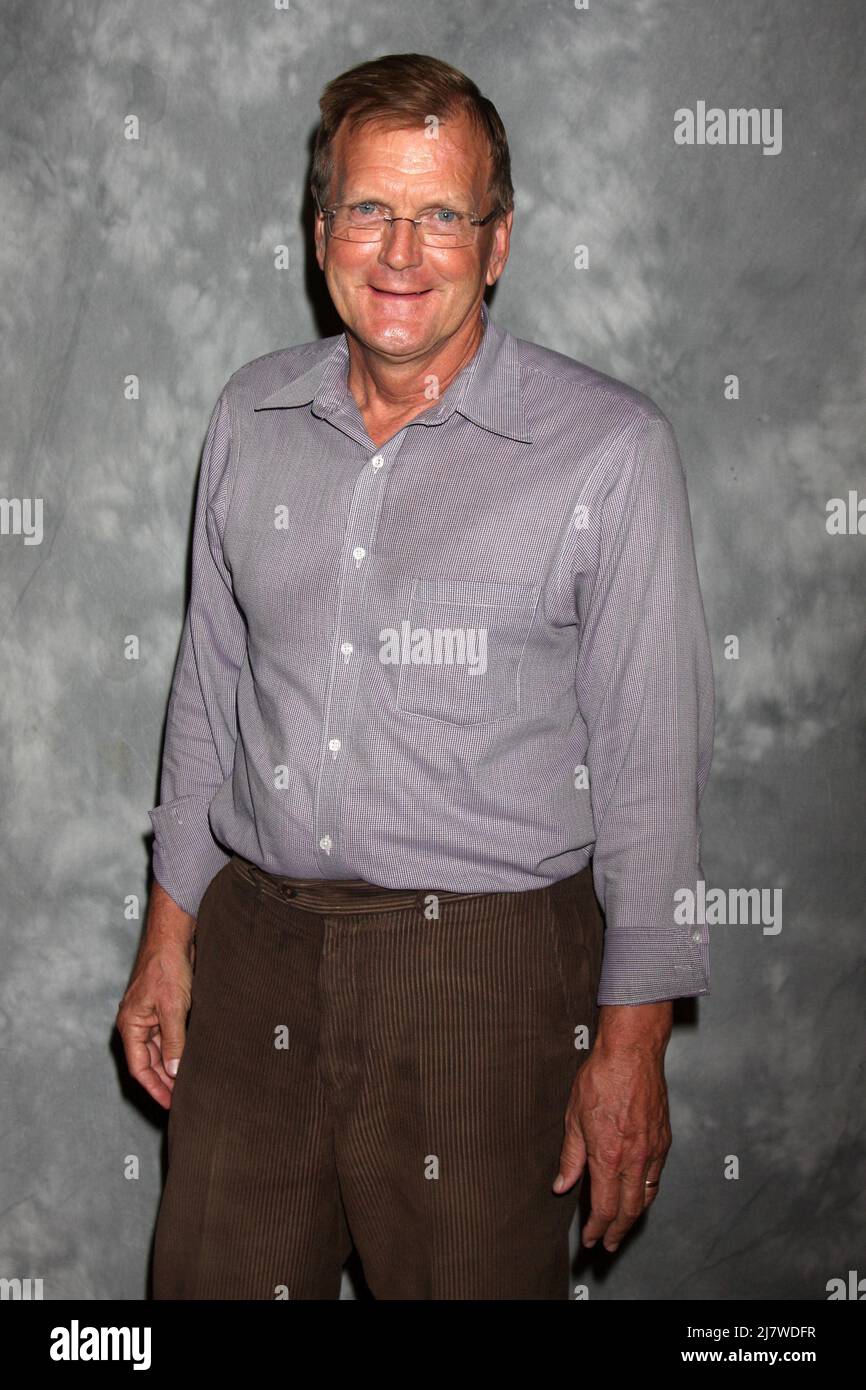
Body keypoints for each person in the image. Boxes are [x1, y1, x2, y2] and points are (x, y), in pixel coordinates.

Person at [117, 51, 715, 1301]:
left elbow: (654, 771)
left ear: (496, 242)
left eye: (440, 213)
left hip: (485, 981)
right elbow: (205, 695)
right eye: (368, 210)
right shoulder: (250, 416)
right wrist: (167, 936)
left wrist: (632, 1043)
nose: (400, 250)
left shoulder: (607, 451)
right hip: (257, 947)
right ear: (318, 226)